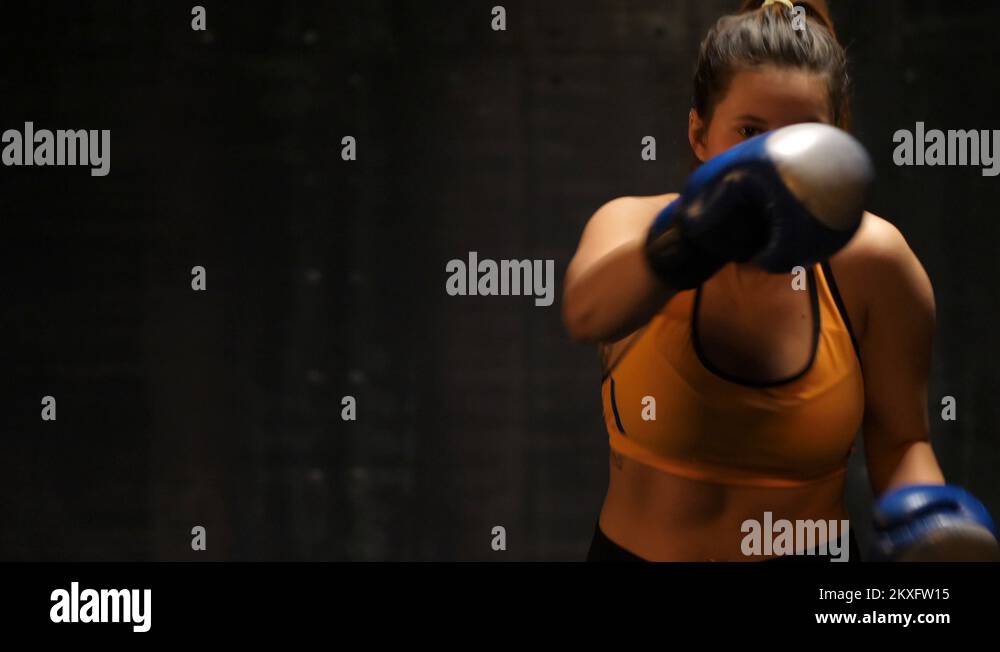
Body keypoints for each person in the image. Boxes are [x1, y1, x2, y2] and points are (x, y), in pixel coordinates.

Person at [562, 0, 998, 561]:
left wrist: (929, 520)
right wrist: (694, 237)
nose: (777, 161)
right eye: (750, 131)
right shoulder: (632, 225)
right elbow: (586, 312)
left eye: (803, 137)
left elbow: (902, 440)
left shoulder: (874, 263)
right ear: (699, 134)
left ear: (839, 141)